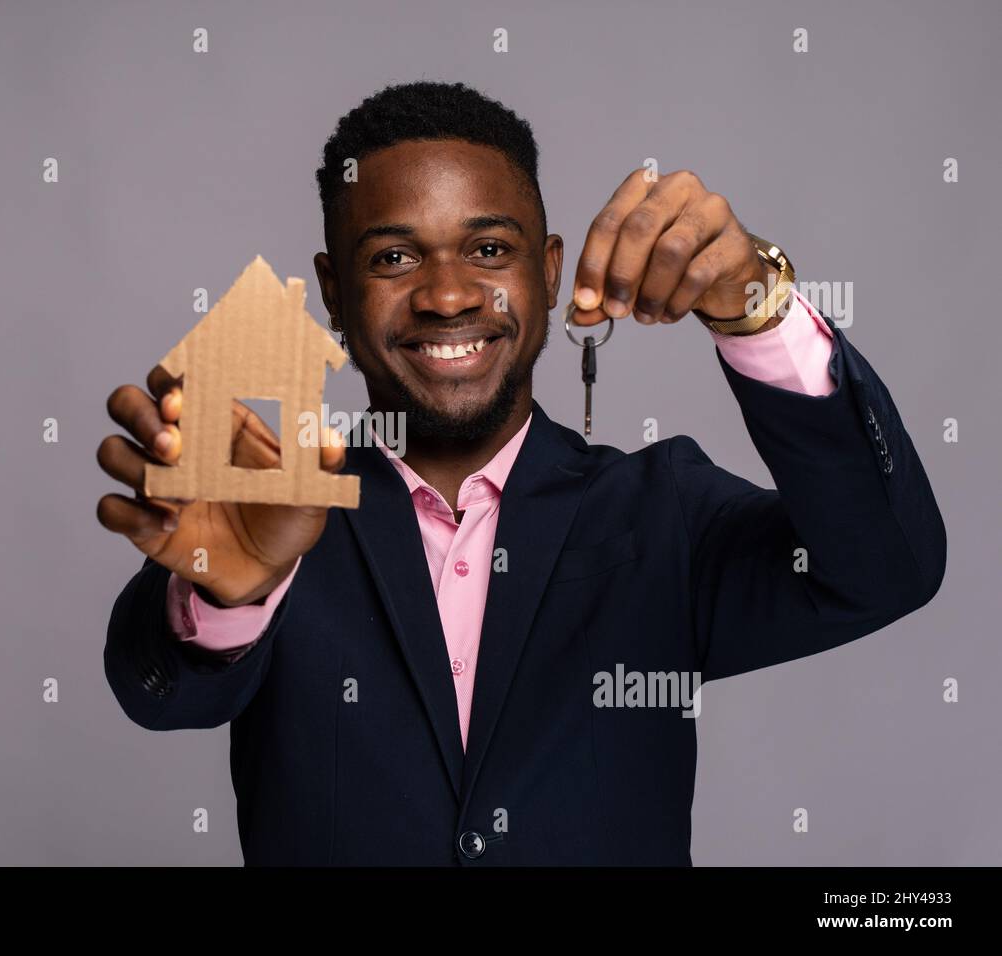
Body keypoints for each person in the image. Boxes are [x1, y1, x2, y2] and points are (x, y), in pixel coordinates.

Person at [95, 81, 946, 865]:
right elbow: (164, 696)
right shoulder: (272, 518)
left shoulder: (662, 513)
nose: (449, 295)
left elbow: (886, 567)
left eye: (489, 249)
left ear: (545, 272)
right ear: (333, 292)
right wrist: (227, 594)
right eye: (393, 258)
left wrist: (756, 305)